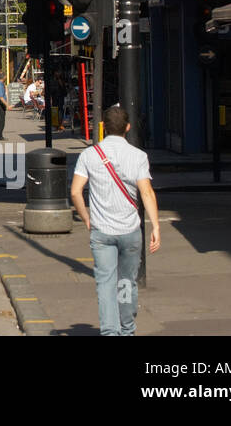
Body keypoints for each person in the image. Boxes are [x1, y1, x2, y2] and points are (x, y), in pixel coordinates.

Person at [69, 104, 161, 336]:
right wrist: (155, 226)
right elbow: (147, 193)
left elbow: (75, 192)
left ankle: (110, 332)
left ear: (103, 127)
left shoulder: (88, 155)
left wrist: (86, 218)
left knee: (105, 284)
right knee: (126, 283)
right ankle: (127, 329)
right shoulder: (139, 156)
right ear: (127, 127)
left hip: (101, 232)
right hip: (130, 231)